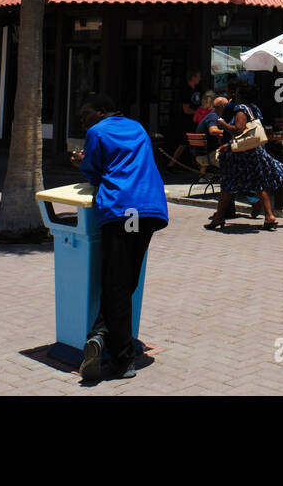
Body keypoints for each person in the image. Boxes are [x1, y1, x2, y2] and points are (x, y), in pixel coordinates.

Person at [72, 94, 169, 382]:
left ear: (102, 111)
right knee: (125, 281)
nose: (83, 118)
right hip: (149, 207)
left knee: (115, 284)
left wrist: (81, 161)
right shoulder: (137, 127)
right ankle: (100, 334)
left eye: (86, 113)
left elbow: (93, 171)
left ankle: (122, 360)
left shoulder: (96, 132)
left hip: (123, 209)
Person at [207, 88, 283, 230]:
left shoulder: (241, 109)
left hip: (242, 154)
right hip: (255, 150)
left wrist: (224, 125)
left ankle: (219, 217)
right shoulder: (254, 108)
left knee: (227, 184)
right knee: (259, 183)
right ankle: (269, 216)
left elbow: (239, 130)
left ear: (240, 95)